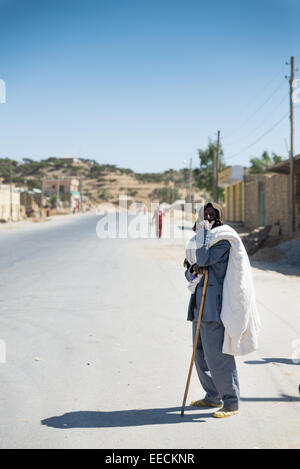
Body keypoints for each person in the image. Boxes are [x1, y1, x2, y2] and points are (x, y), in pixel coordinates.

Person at [184, 201, 260, 418]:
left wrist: (203, 236)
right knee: (200, 354)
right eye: (204, 215)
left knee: (217, 356)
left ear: (219, 217)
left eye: (212, 215)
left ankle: (231, 402)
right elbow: (189, 266)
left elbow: (204, 258)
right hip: (199, 302)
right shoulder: (199, 239)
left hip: (214, 305)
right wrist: (193, 268)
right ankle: (212, 396)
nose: (208, 218)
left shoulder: (224, 239)